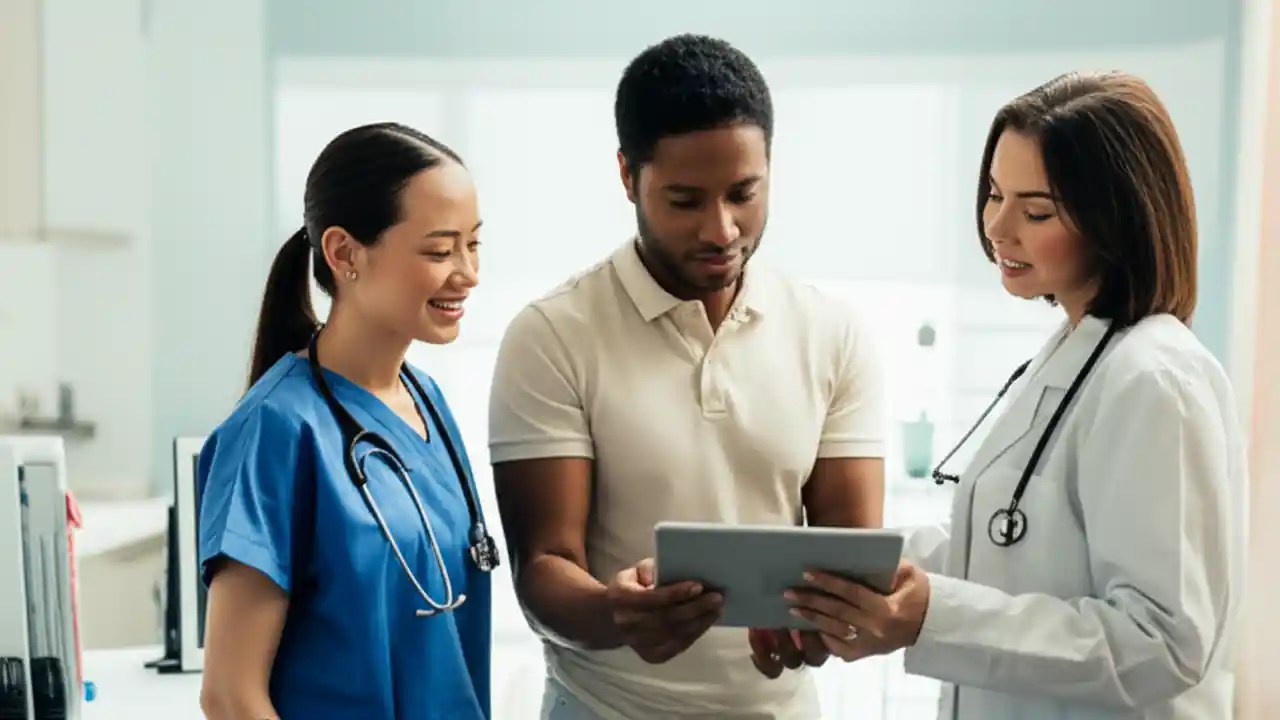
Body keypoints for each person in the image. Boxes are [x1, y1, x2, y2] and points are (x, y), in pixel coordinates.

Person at [783, 71, 1249, 719]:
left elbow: (1162, 643)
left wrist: (932, 617)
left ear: (1115, 220)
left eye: (1036, 211)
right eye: (995, 195)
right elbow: (1001, 547)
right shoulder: (1074, 355)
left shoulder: (1153, 380)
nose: (998, 228)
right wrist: (835, 573)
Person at [488, 34, 887, 719]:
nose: (721, 230)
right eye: (685, 200)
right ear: (628, 177)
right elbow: (543, 570)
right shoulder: (552, 335)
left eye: (743, 194)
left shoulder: (832, 332)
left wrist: (820, 626)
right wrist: (616, 612)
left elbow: (847, 563)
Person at [195, 122, 497, 720]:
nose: (468, 272)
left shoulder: (427, 400)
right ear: (344, 253)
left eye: (474, 244)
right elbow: (230, 697)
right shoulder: (277, 429)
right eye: (440, 251)